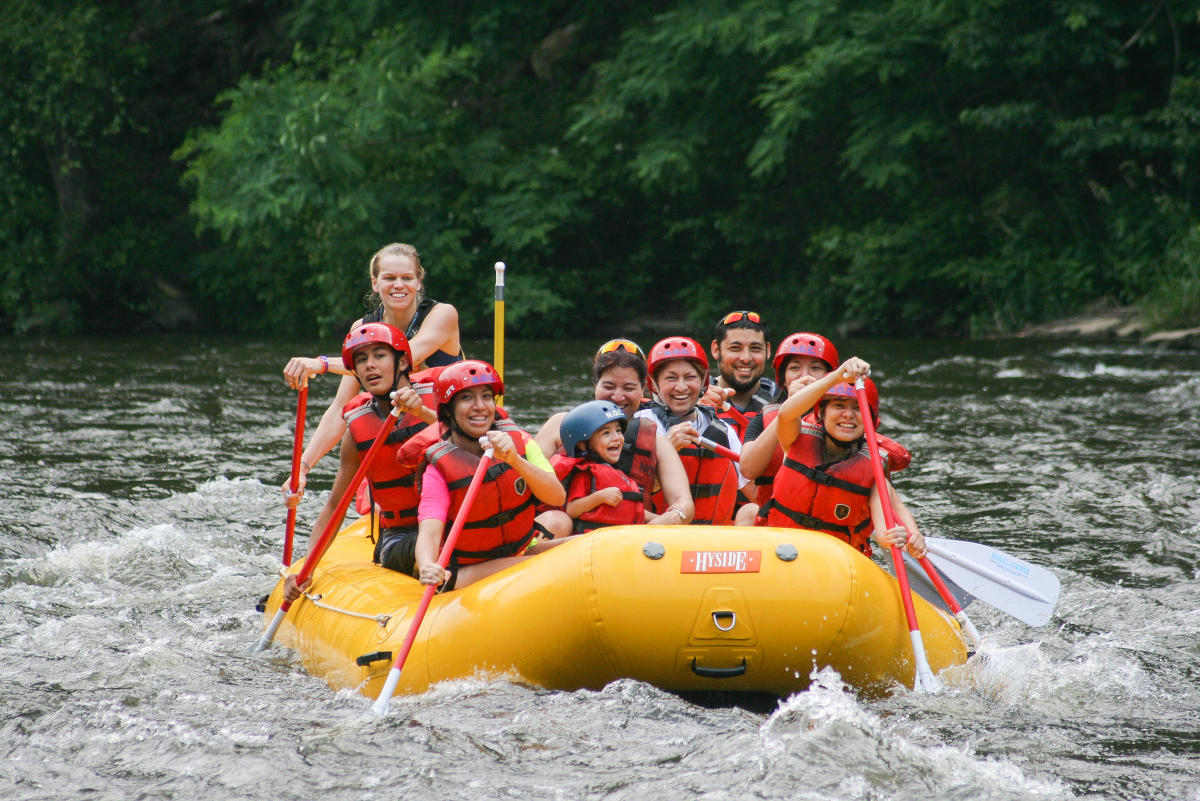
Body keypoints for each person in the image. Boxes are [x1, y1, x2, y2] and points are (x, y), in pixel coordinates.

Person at [280, 242, 463, 503]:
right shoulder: (362, 329)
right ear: (375, 283)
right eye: (389, 278)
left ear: (418, 282)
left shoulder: (442, 315)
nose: (398, 285)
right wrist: (303, 467)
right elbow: (340, 408)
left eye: (407, 278)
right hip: (399, 441)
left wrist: (321, 363)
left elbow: (404, 356)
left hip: (447, 434)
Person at [282, 322, 436, 601]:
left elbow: (473, 448)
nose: (369, 366)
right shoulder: (357, 429)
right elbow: (335, 506)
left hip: (446, 523)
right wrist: (307, 569)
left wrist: (423, 412)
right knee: (433, 544)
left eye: (379, 356)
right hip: (400, 537)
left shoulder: (437, 400)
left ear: (402, 361)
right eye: (362, 360)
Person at [415, 360, 572, 591]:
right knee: (549, 569)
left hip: (520, 550)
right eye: (467, 398)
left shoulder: (519, 442)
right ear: (448, 410)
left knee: (592, 545)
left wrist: (514, 460)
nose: (480, 406)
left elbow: (557, 497)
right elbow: (429, 532)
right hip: (468, 569)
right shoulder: (439, 468)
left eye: (486, 396)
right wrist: (427, 564)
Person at [758, 357, 925, 559]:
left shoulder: (874, 470)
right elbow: (786, 413)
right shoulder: (795, 438)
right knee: (749, 512)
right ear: (821, 414)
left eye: (857, 408)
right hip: (780, 549)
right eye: (839, 405)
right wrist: (836, 377)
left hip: (834, 562)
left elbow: (886, 527)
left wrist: (907, 536)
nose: (848, 415)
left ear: (871, 421)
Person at [740, 332, 910, 525]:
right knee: (747, 512)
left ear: (832, 377)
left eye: (816, 368)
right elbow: (748, 469)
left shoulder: (850, 429)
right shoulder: (766, 417)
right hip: (781, 525)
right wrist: (791, 404)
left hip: (835, 532)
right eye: (795, 368)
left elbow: (884, 500)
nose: (805, 376)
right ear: (783, 377)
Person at [534, 339, 693, 524]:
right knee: (556, 521)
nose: (617, 397)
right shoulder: (560, 425)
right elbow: (524, 482)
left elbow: (684, 504)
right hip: (567, 534)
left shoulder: (657, 442)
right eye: (608, 387)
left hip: (632, 539)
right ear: (595, 386)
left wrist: (670, 518)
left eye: (629, 388)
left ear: (643, 390)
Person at [635, 337, 746, 525]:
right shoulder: (639, 425)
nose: (681, 387)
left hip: (712, 540)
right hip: (656, 535)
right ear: (654, 384)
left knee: (750, 511)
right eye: (671, 378)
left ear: (703, 381)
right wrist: (666, 450)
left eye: (690, 377)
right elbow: (624, 490)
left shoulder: (723, 431)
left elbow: (754, 490)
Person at [550, 400, 647, 533]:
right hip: (592, 542)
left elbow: (630, 505)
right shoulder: (585, 473)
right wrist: (599, 497)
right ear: (583, 444)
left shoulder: (620, 475)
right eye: (606, 433)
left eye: (618, 431)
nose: (616, 438)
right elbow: (572, 509)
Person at [700, 311, 777, 442]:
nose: (746, 358)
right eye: (735, 348)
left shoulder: (784, 400)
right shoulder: (691, 401)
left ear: (768, 351)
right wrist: (692, 407)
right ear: (716, 350)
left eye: (755, 348)